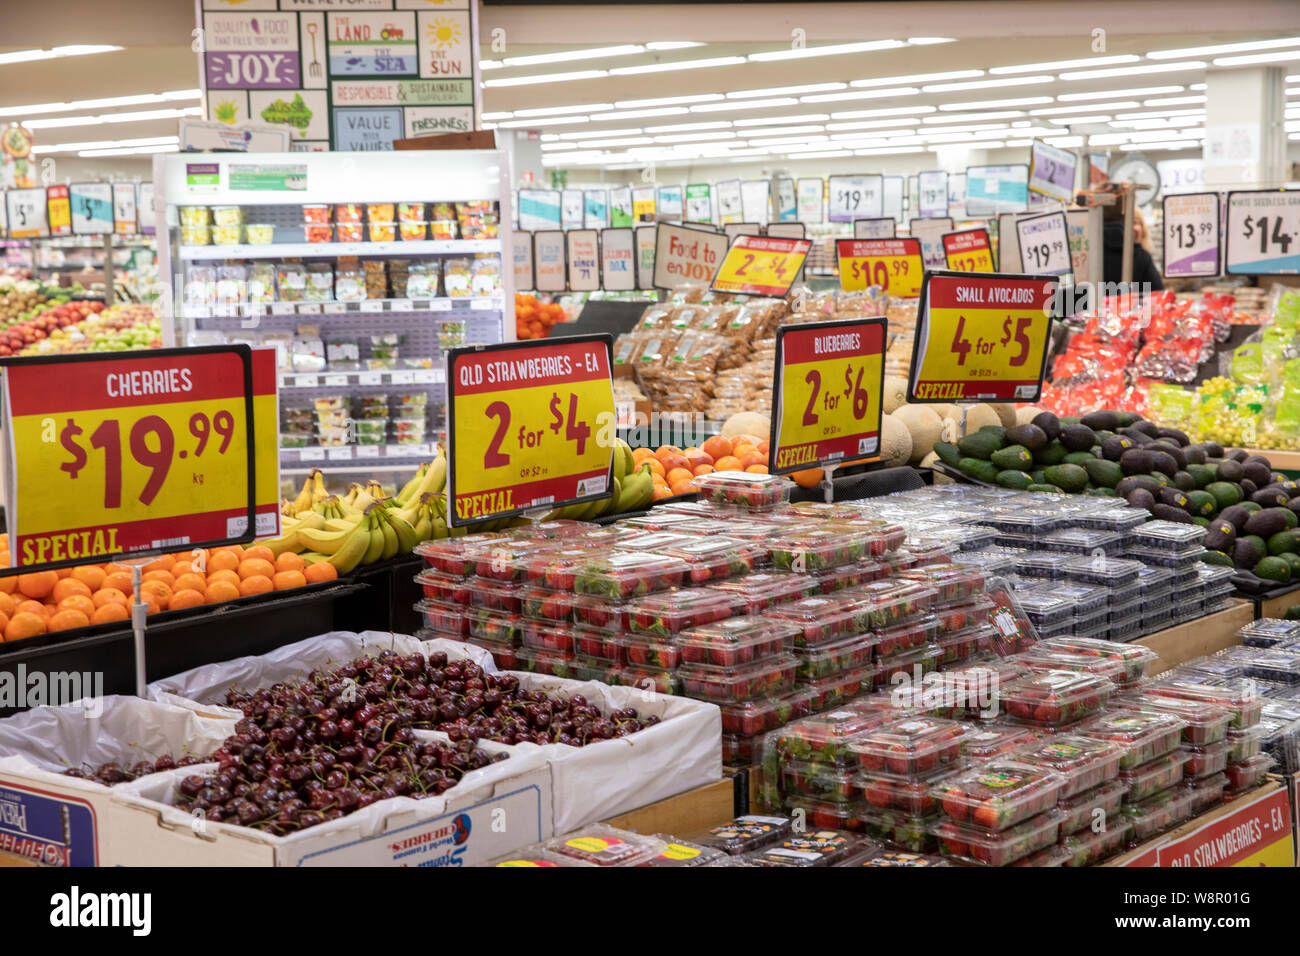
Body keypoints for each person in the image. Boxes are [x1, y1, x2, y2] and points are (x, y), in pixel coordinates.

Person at [1102, 206, 1164, 292]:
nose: (1130, 228)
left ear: (1143, 228)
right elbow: (1157, 296)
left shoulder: (1144, 257)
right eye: (1126, 223)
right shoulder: (1142, 258)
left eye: (1134, 223)